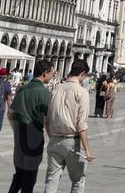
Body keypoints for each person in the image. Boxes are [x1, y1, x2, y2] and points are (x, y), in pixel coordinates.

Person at [43, 60, 95, 193]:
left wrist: (53, 137)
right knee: (78, 180)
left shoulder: (56, 89)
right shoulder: (81, 92)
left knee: (51, 179)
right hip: (73, 142)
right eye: (85, 76)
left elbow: (47, 120)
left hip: (54, 140)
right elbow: (81, 124)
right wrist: (87, 150)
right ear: (82, 73)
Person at [7, 61, 54, 193]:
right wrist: (52, 138)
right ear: (45, 73)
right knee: (29, 177)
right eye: (51, 73)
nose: (52, 76)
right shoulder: (45, 94)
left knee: (19, 175)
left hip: (19, 135)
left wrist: (16, 130)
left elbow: (10, 114)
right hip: (34, 137)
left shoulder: (22, 89)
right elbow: (48, 121)